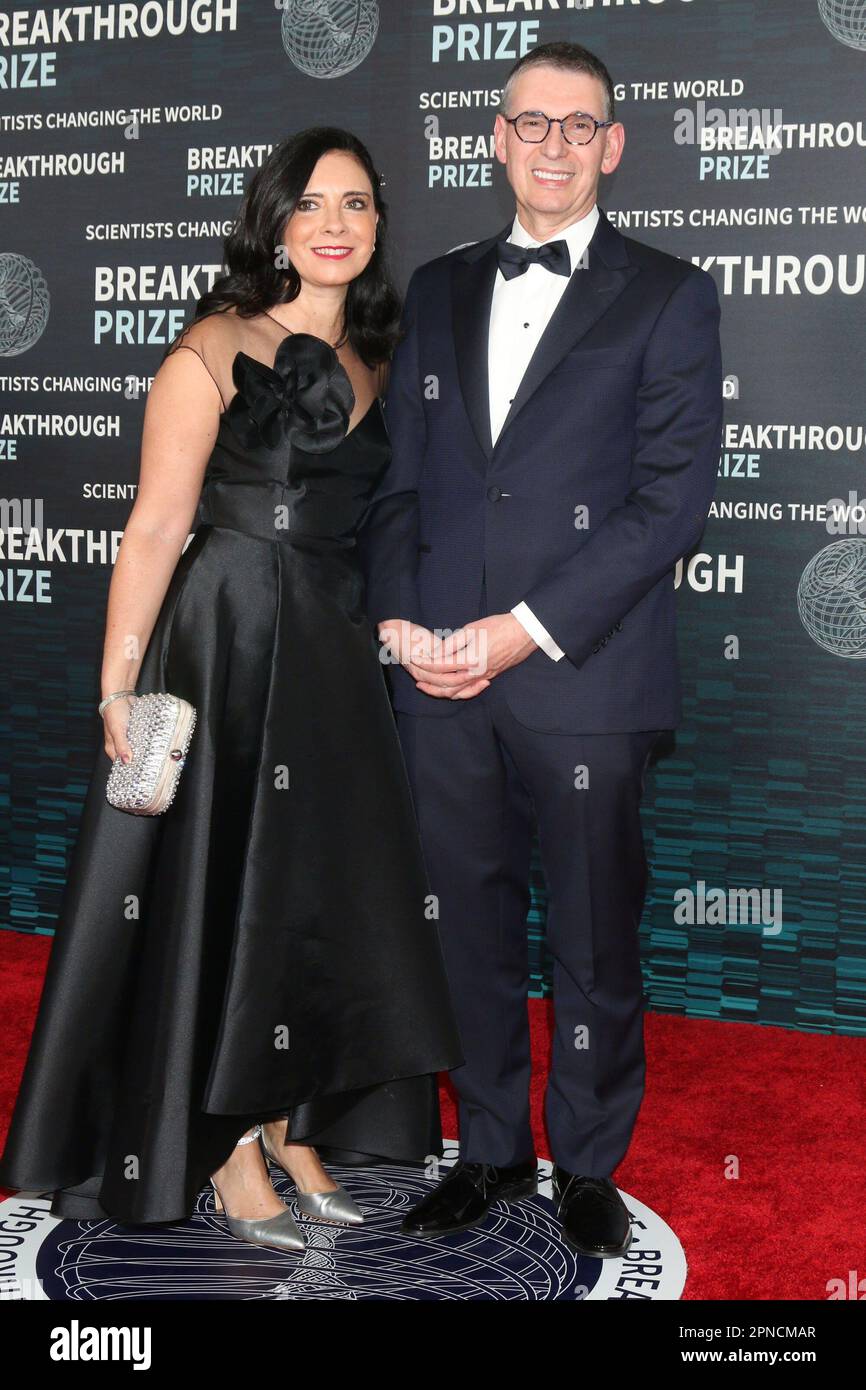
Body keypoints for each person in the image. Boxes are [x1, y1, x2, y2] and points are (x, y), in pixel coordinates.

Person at [0, 127, 463, 1252]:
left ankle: (292, 1115)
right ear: (273, 220)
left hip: (330, 652)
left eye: (357, 203)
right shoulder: (209, 347)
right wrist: (119, 686)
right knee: (215, 886)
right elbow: (157, 525)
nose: (337, 224)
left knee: (312, 896)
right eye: (313, 204)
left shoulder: (377, 360)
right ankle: (217, 1142)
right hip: (223, 636)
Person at [359, 42, 723, 1258]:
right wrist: (402, 623)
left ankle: (585, 1163)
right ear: (495, 138)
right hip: (438, 678)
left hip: (581, 675)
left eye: (580, 126)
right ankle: (492, 1151)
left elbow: (665, 507)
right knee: (458, 921)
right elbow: (400, 486)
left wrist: (516, 634)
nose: (555, 146)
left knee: (589, 932)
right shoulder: (441, 283)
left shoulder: (669, 294)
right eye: (532, 124)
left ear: (612, 146)